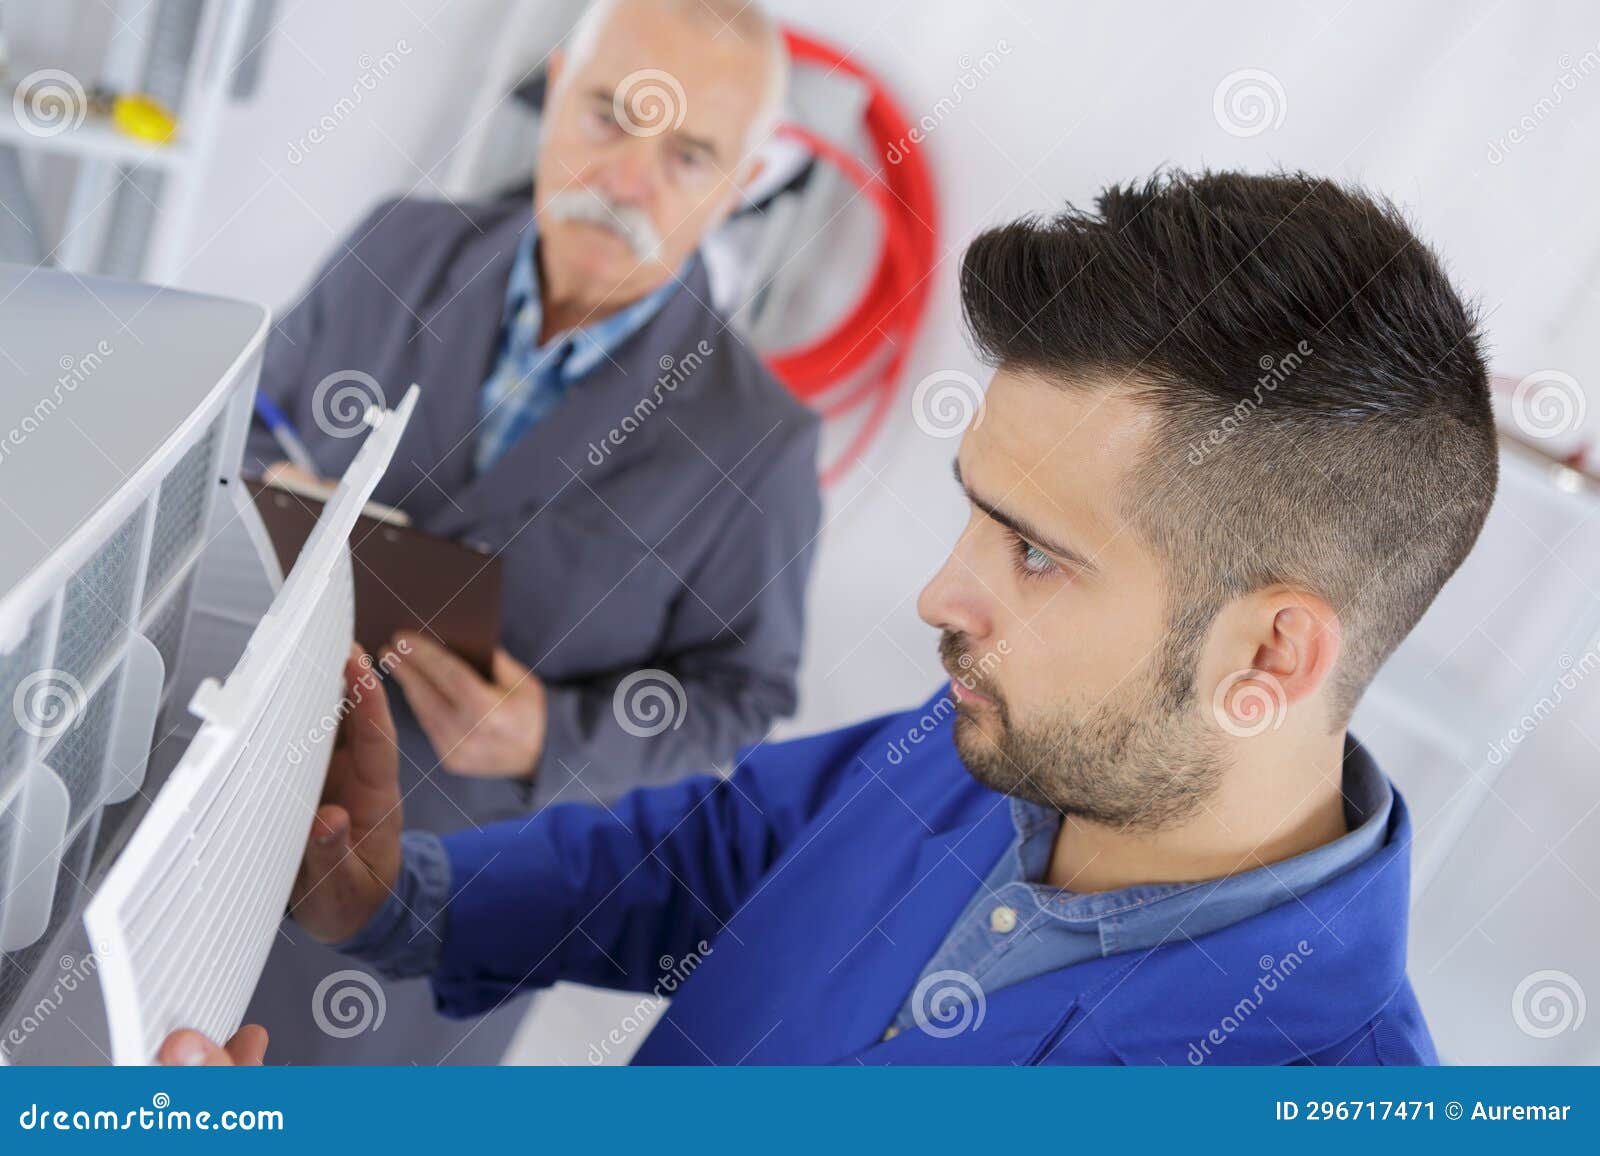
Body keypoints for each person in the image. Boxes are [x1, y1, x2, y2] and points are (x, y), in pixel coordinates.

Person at [184, 170, 1496, 1065]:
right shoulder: (986, 741)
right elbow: (708, 866)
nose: (943, 596)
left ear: (1269, 655)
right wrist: (400, 903)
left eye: (1037, 555)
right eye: (980, 512)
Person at [241, 0, 819, 1065]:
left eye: (688, 153)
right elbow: (245, 429)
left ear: (738, 186)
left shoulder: (758, 443)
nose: (625, 179)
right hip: (226, 797)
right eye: (609, 115)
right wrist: (267, 478)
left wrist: (551, 738)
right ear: (556, 91)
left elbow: (743, 702)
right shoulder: (397, 241)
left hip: (434, 899)